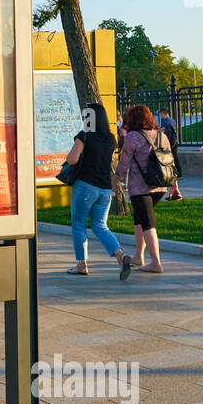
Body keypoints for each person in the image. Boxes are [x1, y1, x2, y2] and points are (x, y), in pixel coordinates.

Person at [62, 102, 132, 279]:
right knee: (100, 226)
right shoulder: (110, 138)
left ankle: (81, 265)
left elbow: (71, 160)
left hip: (85, 186)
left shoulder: (84, 136)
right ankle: (120, 256)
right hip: (104, 189)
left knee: (78, 224)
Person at [116, 104, 173, 273]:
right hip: (160, 185)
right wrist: (174, 186)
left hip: (140, 187)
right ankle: (138, 256)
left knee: (147, 222)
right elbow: (170, 162)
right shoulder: (162, 135)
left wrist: (116, 178)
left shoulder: (133, 136)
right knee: (139, 218)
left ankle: (155, 262)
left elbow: (124, 161)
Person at [157, 109, 183, 201]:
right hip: (173, 143)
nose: (161, 116)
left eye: (161, 114)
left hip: (168, 143)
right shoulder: (172, 120)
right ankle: (175, 191)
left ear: (163, 113)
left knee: (171, 163)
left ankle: (175, 187)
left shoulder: (166, 121)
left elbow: (163, 130)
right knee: (174, 161)